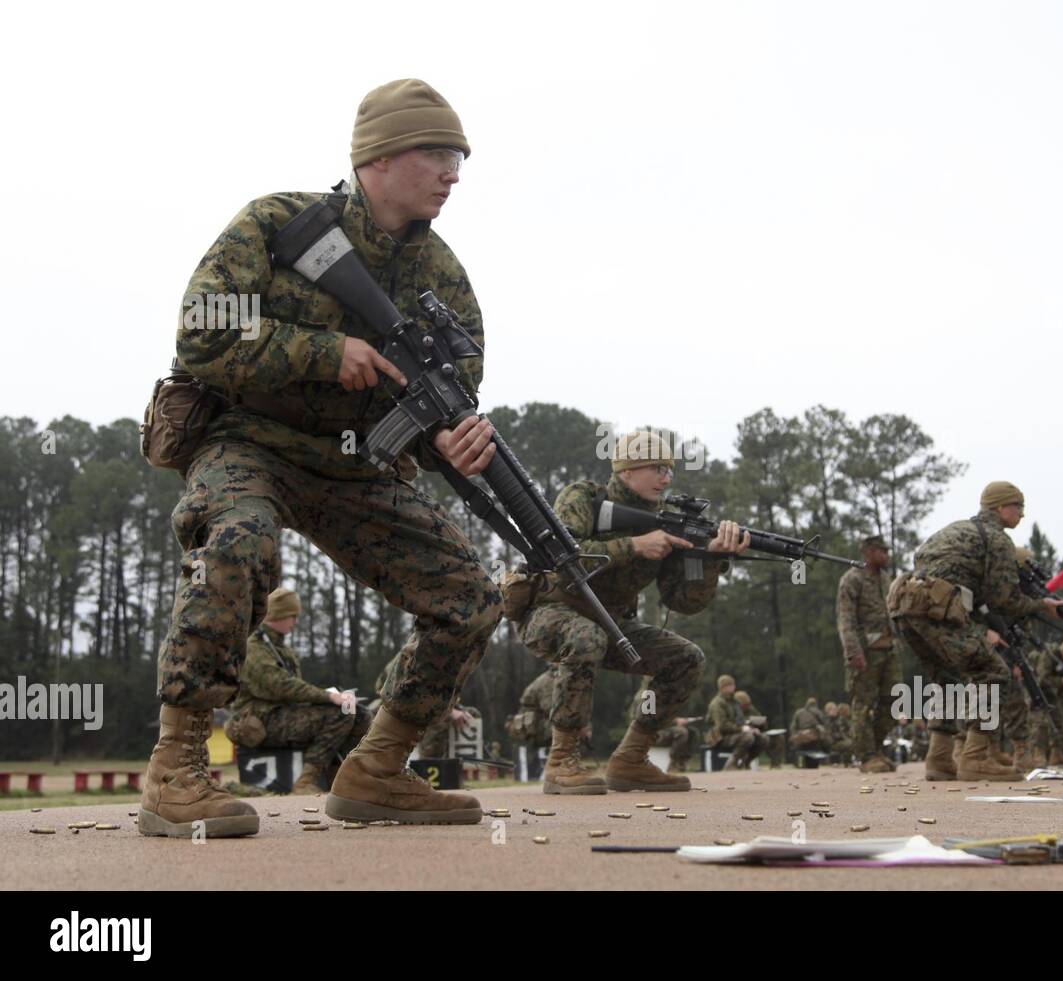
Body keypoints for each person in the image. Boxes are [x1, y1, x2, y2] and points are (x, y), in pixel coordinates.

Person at [140, 79, 503, 838]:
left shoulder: (442, 278)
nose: (453, 172)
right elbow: (199, 334)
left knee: (469, 592)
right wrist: (322, 351)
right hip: (247, 441)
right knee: (238, 543)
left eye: (458, 156)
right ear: (380, 155)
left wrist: (453, 437)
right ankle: (176, 766)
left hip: (358, 464)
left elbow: (451, 394)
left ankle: (376, 769)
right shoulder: (276, 225)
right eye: (437, 152)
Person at [517, 431, 749, 794]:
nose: (667, 478)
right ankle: (561, 760)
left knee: (686, 659)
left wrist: (710, 559)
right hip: (550, 612)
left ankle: (631, 760)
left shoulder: (668, 524)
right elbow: (562, 556)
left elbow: (683, 602)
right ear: (626, 471)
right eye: (657, 468)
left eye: (670, 470)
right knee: (585, 636)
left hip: (613, 625)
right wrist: (634, 546)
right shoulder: (583, 498)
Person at [888, 482, 1063, 781]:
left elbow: (924, 559)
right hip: (937, 607)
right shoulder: (996, 539)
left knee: (945, 679)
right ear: (999, 508)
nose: (1022, 514)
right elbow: (1005, 599)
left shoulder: (956, 529)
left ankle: (940, 759)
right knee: (994, 673)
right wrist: (1040, 605)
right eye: (1017, 506)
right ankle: (974, 758)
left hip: (904, 606)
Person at [227, 587, 370, 794]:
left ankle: (342, 778)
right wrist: (329, 697)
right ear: (278, 615)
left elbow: (292, 690)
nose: (295, 621)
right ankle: (306, 781)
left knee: (359, 714)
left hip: (282, 716)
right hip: (260, 719)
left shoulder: (282, 649)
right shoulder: (255, 649)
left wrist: (331, 699)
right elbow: (281, 686)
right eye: (292, 616)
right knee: (340, 713)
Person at [837, 535, 904, 773]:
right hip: (865, 652)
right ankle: (865, 756)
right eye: (882, 552)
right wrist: (853, 652)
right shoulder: (852, 579)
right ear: (869, 553)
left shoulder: (886, 579)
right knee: (863, 704)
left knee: (895, 699)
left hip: (889, 649)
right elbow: (845, 620)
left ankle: (875, 749)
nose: (886, 556)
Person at [706, 675, 769, 770]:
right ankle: (731, 764)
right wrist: (742, 729)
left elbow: (740, 720)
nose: (733, 687)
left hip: (735, 735)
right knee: (748, 737)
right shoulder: (717, 703)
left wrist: (750, 728)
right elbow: (722, 726)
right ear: (722, 687)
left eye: (733, 684)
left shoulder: (734, 702)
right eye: (729, 685)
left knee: (763, 738)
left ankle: (745, 763)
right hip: (720, 737)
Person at [735, 690, 784, 766]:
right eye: (744, 705)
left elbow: (760, 719)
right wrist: (748, 725)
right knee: (760, 739)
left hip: (756, 732)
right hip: (742, 735)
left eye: (748, 705)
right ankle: (743, 763)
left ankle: (776, 763)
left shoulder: (751, 709)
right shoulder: (734, 711)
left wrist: (761, 723)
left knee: (778, 738)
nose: (747, 707)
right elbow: (734, 725)